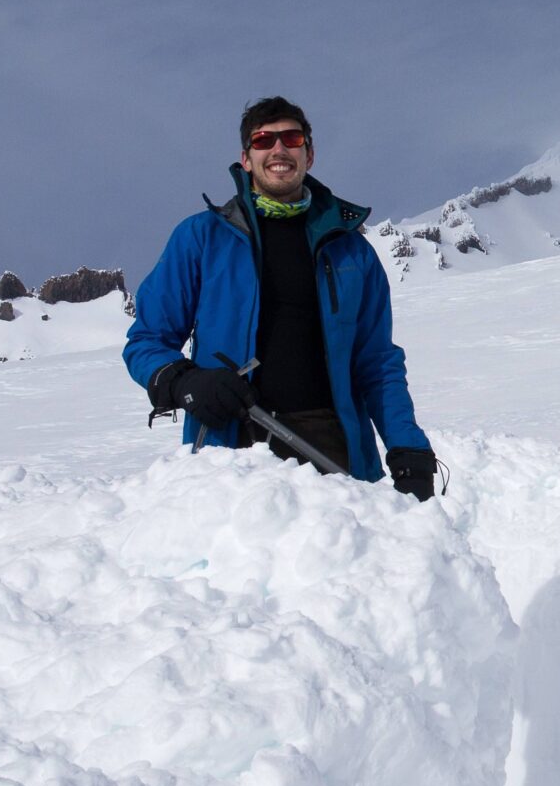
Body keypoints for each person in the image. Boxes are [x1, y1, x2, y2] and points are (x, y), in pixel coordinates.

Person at [124, 96, 437, 499]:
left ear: (309, 154)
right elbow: (147, 340)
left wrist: (407, 446)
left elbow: (376, 363)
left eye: (291, 138)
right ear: (246, 157)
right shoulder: (201, 238)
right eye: (263, 140)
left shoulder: (351, 252)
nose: (278, 149)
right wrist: (186, 382)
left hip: (332, 450)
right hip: (231, 448)